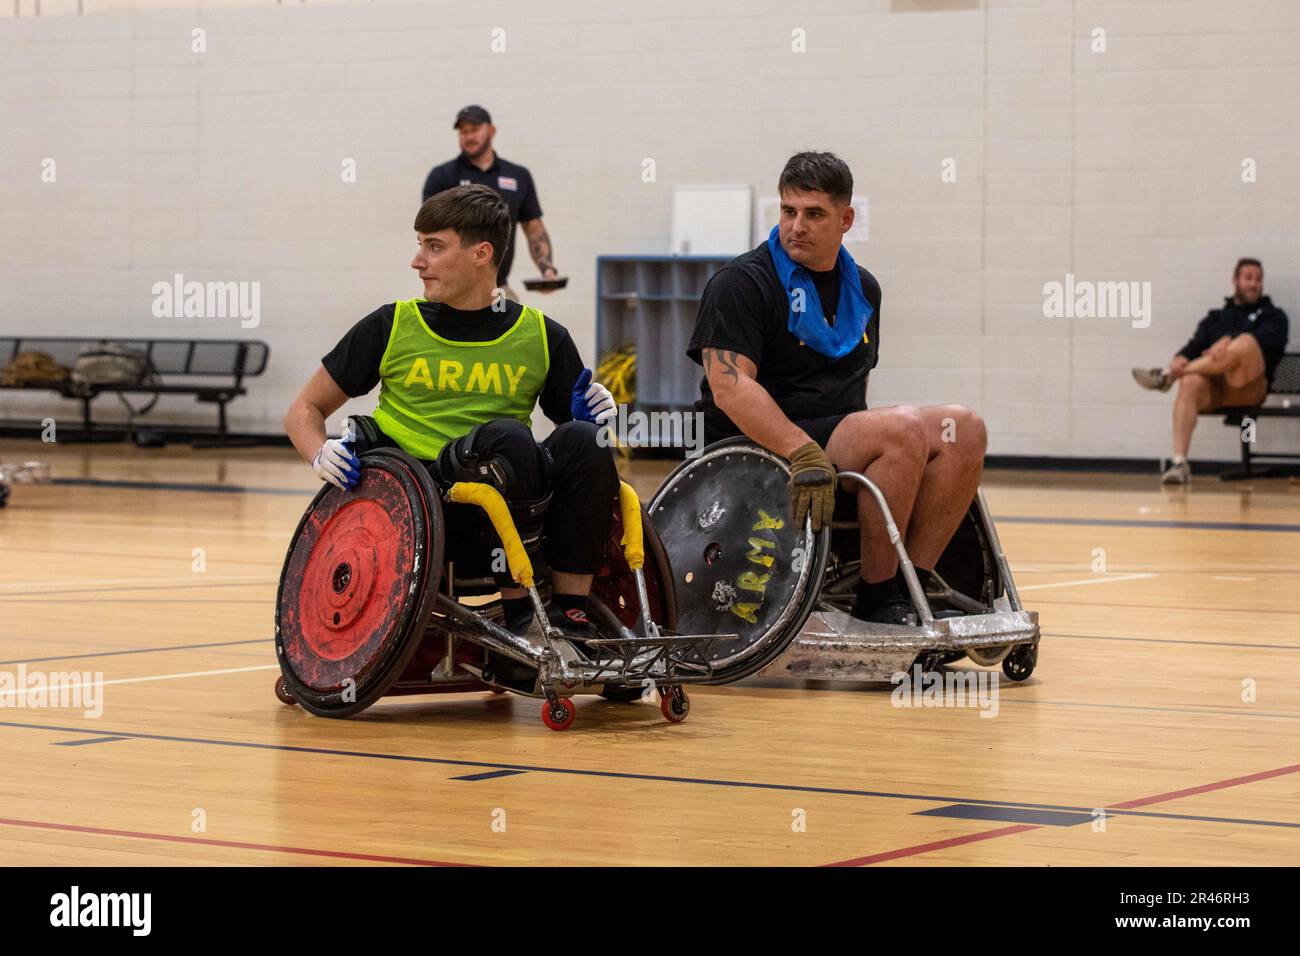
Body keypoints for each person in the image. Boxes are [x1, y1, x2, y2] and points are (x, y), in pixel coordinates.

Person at [284, 185, 615, 653]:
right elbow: (303, 410)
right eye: (420, 245)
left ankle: (570, 614)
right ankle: (523, 620)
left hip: (515, 505)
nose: (417, 262)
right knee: (510, 437)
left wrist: (596, 418)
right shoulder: (392, 324)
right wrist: (320, 453)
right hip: (422, 508)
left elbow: (577, 439)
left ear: (482, 254)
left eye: (434, 247)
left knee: (584, 440)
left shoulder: (543, 335)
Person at [687, 151, 987, 626]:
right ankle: (876, 596)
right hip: (754, 447)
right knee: (902, 429)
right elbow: (730, 387)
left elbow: (854, 389)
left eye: (814, 214)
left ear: (845, 219)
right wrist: (801, 449)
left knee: (963, 428)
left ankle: (913, 585)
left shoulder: (864, 290)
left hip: (832, 436)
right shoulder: (740, 283)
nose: (796, 226)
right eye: (788, 211)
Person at [1132, 258, 1289, 484]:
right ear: (1235, 281)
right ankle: (1179, 464)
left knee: (1245, 343)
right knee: (1190, 382)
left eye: (1258, 279)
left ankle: (1167, 377)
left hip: (1249, 387)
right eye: (1248, 278)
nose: (1254, 284)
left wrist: (1229, 341)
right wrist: (1180, 358)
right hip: (1217, 390)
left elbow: (1261, 342)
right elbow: (1195, 346)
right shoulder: (1215, 318)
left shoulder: (1273, 316)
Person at [421, 105, 558, 301]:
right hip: (451, 288)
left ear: (491, 131)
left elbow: (534, 228)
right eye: (463, 132)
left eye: (475, 129)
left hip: (497, 288)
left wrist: (547, 269)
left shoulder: (518, 175)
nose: (469, 136)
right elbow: (431, 233)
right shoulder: (443, 176)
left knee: (512, 317)